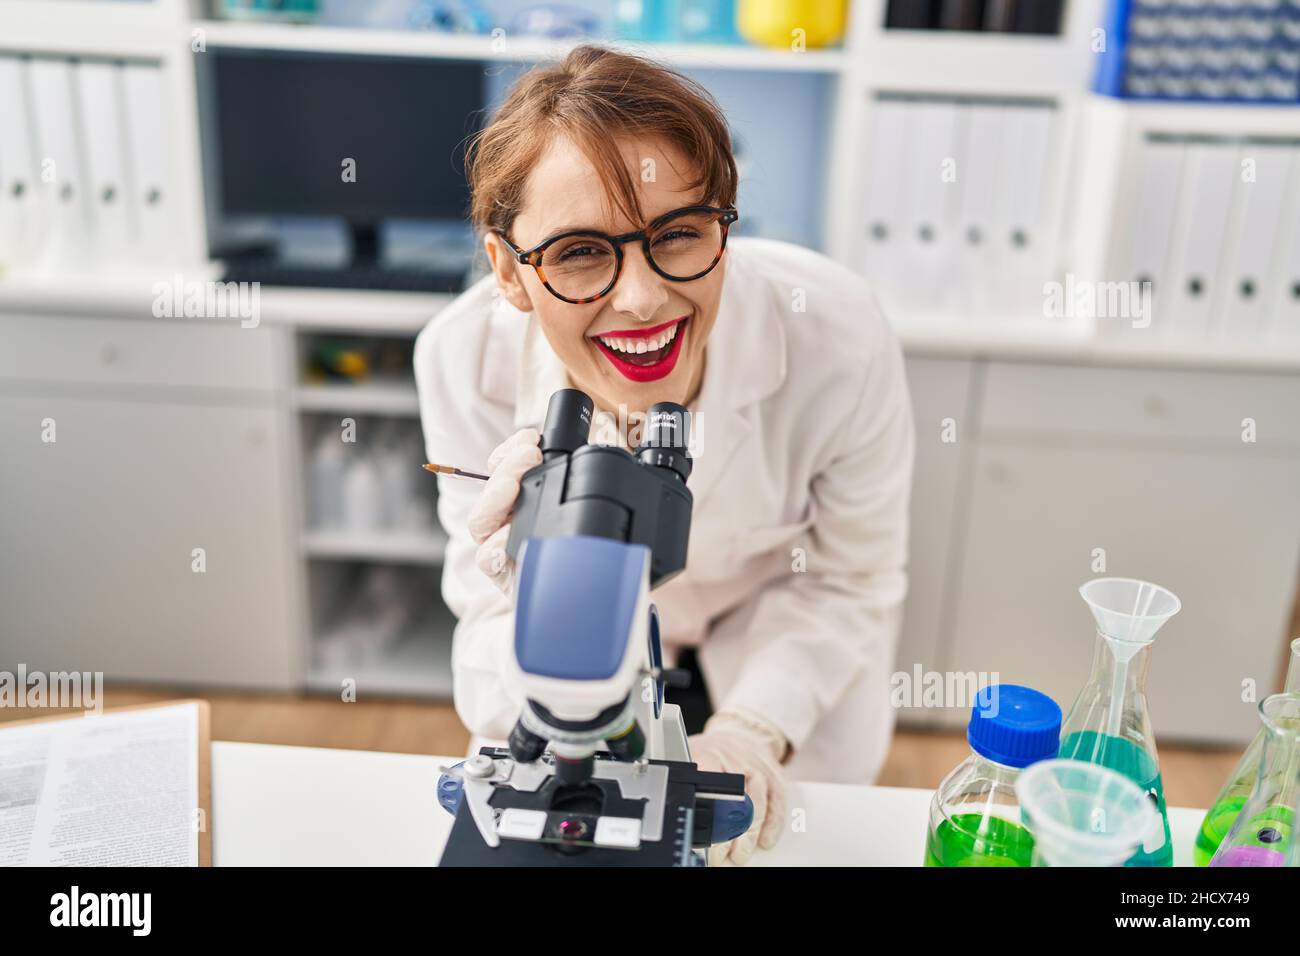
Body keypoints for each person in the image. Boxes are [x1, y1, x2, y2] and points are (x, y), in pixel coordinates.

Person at [415, 45, 914, 865]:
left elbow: (849, 576)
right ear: (508, 269)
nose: (643, 299)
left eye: (678, 235)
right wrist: (522, 572)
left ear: (725, 219)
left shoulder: (838, 334)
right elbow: (485, 614)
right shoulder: (461, 358)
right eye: (580, 251)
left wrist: (753, 733)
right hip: (573, 683)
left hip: (777, 653)